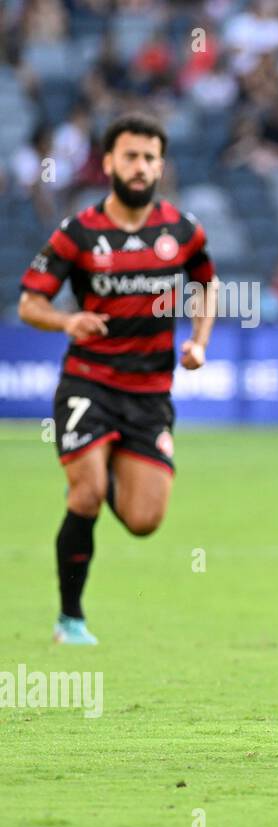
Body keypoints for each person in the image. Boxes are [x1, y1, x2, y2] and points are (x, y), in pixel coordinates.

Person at [17, 114, 217, 644]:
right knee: (83, 497)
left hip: (150, 392)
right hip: (89, 382)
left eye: (150, 157)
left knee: (144, 519)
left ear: (160, 166)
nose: (140, 166)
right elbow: (29, 302)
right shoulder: (78, 231)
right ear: (108, 162)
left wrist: (199, 341)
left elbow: (207, 283)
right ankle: (70, 619)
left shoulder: (181, 230)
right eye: (130, 156)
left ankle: (101, 465)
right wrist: (66, 320)